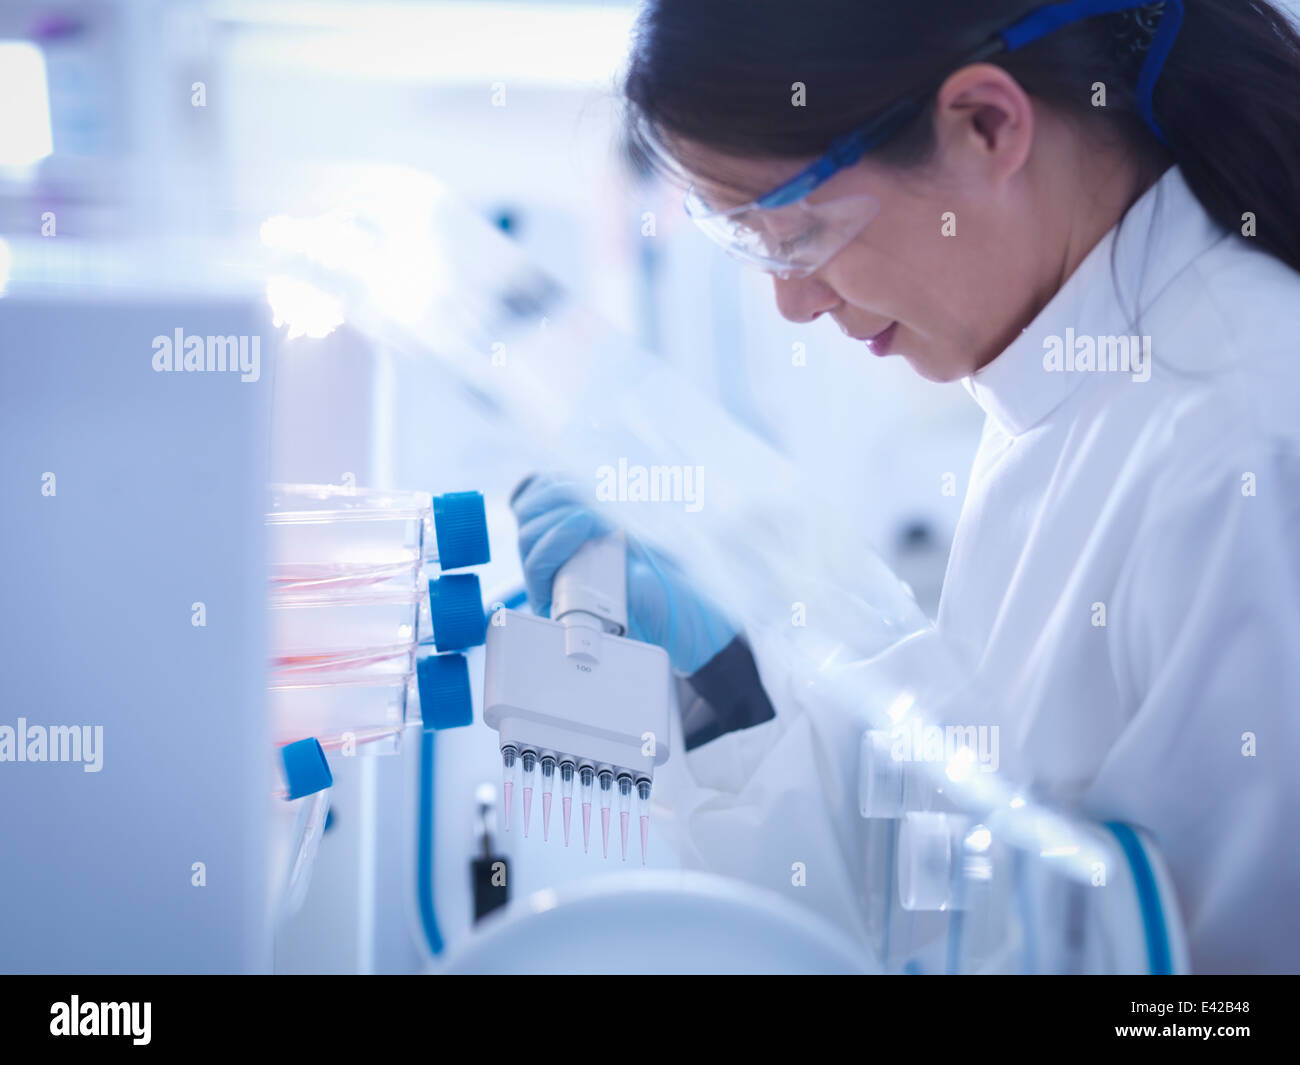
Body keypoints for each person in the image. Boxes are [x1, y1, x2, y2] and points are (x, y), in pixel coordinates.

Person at [512, 0, 1300, 973]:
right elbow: (952, 858)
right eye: (748, 248)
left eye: (792, 235)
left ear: (987, 126)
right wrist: (730, 685)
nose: (793, 302)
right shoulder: (1066, 379)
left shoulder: (1241, 444)